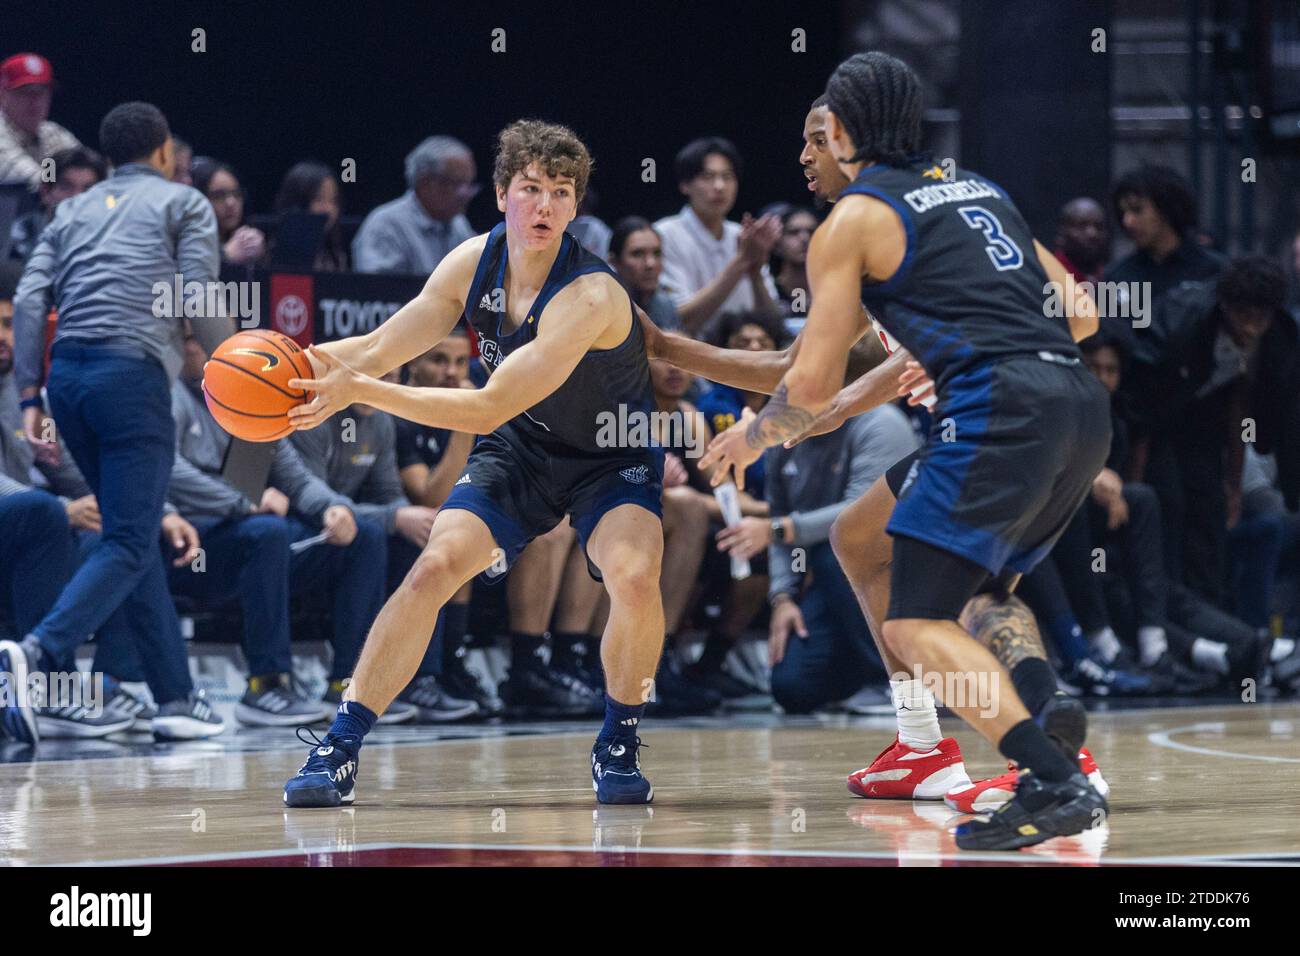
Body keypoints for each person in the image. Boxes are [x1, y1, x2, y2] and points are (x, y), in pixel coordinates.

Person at [643, 88, 1108, 811]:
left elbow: (798, 383)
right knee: (864, 539)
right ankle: (922, 747)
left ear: (840, 133)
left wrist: (755, 432)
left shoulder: (858, 222)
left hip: (997, 418)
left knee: (925, 618)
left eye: (811, 139)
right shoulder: (971, 190)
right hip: (1073, 408)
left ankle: (1053, 758)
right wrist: (673, 347)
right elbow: (1081, 314)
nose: (801, 157)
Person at [281, 119, 665, 808]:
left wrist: (360, 389)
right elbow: (376, 346)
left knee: (633, 577)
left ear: (577, 206)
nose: (543, 205)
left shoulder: (590, 295)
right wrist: (299, 365)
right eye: (529, 188)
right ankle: (339, 745)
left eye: (560, 191)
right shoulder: (470, 263)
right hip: (520, 448)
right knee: (432, 565)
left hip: (609, 455)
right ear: (499, 194)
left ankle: (618, 738)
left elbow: (485, 406)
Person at [1, 101, 228, 744]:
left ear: (106, 158)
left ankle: (177, 698)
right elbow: (202, 296)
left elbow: (27, 301)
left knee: (132, 532)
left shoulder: (71, 209)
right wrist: (243, 365)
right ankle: (39, 656)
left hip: (66, 379)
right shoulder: (184, 203)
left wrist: (28, 397)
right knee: (130, 539)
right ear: (164, 152)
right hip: (129, 378)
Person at [393, 330, 501, 715]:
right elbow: (431, 496)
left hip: (441, 526)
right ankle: (430, 673)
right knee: (453, 534)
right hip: (396, 530)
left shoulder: (466, 401)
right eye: (439, 361)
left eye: (460, 362)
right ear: (413, 365)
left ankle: (464, 663)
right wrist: (465, 421)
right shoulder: (402, 416)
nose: (453, 373)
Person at [654, 137, 782, 335]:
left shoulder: (743, 236)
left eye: (728, 176)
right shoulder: (664, 234)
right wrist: (740, 262)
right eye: (708, 177)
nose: (720, 186)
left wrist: (755, 272)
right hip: (689, 356)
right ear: (685, 185)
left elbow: (774, 324)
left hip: (747, 352)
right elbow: (681, 321)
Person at [352, 136, 477, 275]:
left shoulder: (459, 225)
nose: (466, 194)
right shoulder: (386, 225)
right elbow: (380, 289)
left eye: (469, 184)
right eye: (457, 183)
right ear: (425, 183)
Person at [1105, 164, 1223, 304]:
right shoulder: (1118, 276)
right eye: (1123, 213)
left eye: (1137, 210)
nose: (1127, 221)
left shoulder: (1214, 272)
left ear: (1166, 209)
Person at [9, 146, 106, 262]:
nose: (77, 198)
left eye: (88, 189)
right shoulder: (14, 239)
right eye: (66, 187)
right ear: (45, 192)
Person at [0, 54, 80, 188]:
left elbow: (88, 170)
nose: (35, 101)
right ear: (2, 96)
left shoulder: (52, 132)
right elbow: (39, 182)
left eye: (42, 92)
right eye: (25, 92)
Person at [608, 216, 681, 331]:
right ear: (615, 262)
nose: (650, 264)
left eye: (657, 253)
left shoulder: (664, 304)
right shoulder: (601, 309)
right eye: (637, 254)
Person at [273, 161, 349, 271]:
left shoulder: (336, 256)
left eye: (333, 201)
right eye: (319, 199)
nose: (329, 209)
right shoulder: (269, 251)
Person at [191, 158, 266, 269]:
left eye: (236, 194)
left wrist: (262, 257)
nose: (231, 203)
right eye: (218, 196)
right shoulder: (185, 243)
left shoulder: (245, 237)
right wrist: (226, 255)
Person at [1053, 197, 1109, 285]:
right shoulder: (1047, 275)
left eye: (1099, 226)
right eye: (1081, 226)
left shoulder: (1113, 277)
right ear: (1062, 234)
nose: (1093, 234)